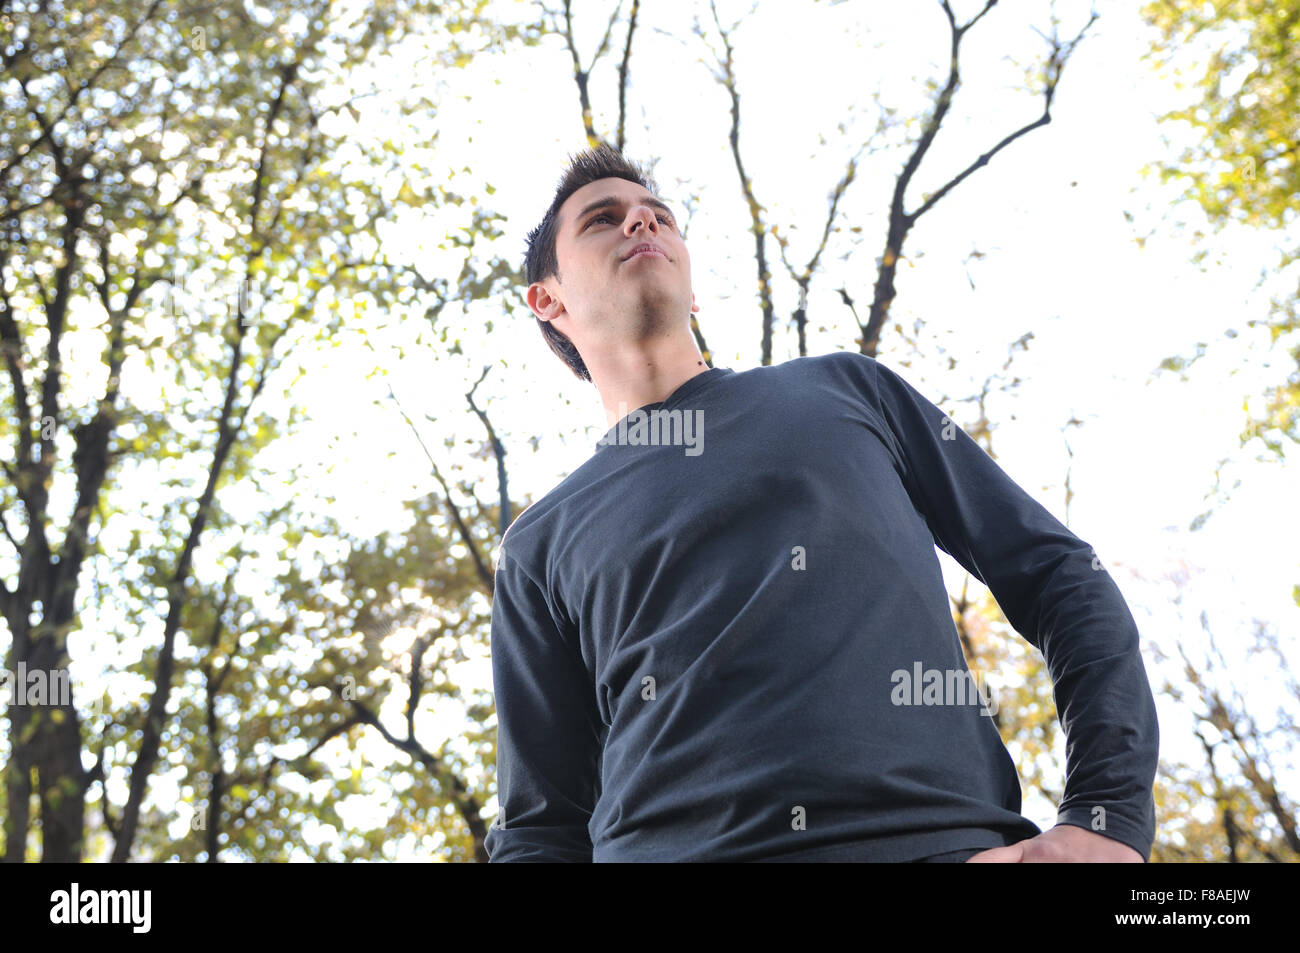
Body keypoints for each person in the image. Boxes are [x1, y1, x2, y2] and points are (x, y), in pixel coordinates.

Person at [483, 144, 1158, 862]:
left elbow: (1062, 576)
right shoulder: (538, 546)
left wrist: (1105, 812)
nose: (641, 225)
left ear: (692, 281)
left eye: (660, 217)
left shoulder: (847, 391)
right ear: (547, 299)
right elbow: (541, 826)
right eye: (603, 219)